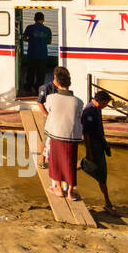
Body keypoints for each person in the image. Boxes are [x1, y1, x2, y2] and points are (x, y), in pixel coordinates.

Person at [42, 66, 83, 201]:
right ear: (69, 83)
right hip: (71, 135)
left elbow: (49, 110)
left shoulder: (51, 98)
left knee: (56, 161)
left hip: (56, 133)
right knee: (70, 162)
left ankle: (58, 188)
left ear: (57, 83)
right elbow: (78, 116)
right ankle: (70, 192)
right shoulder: (78, 102)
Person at [80, 88, 117, 215]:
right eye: (106, 104)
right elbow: (87, 134)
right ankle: (108, 203)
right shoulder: (90, 112)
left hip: (99, 144)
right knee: (101, 174)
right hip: (94, 145)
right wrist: (89, 150)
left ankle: (108, 202)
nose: (105, 106)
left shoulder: (97, 109)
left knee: (97, 170)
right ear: (101, 101)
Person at [22, 12, 53, 94]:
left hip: (32, 53)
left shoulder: (29, 28)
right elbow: (49, 42)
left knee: (31, 71)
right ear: (43, 20)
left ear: (34, 19)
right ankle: (38, 87)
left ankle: (28, 86)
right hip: (43, 54)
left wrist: (31, 40)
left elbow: (24, 38)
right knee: (41, 72)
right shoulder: (48, 29)